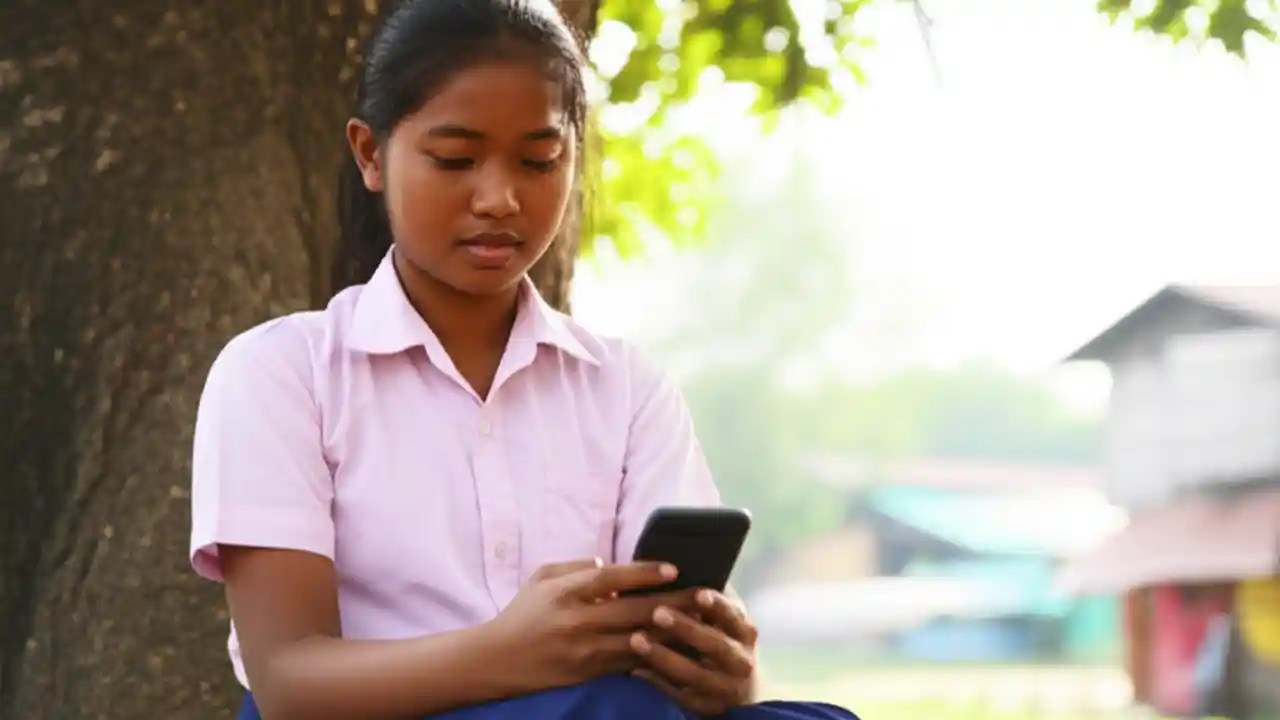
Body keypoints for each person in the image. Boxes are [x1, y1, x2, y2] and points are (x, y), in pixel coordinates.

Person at [189, 1, 858, 718]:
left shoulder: (622, 387)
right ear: (370, 154)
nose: (500, 198)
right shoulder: (284, 372)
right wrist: (509, 654)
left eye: (540, 160)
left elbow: (682, 632)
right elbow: (290, 683)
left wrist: (723, 674)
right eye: (455, 159)